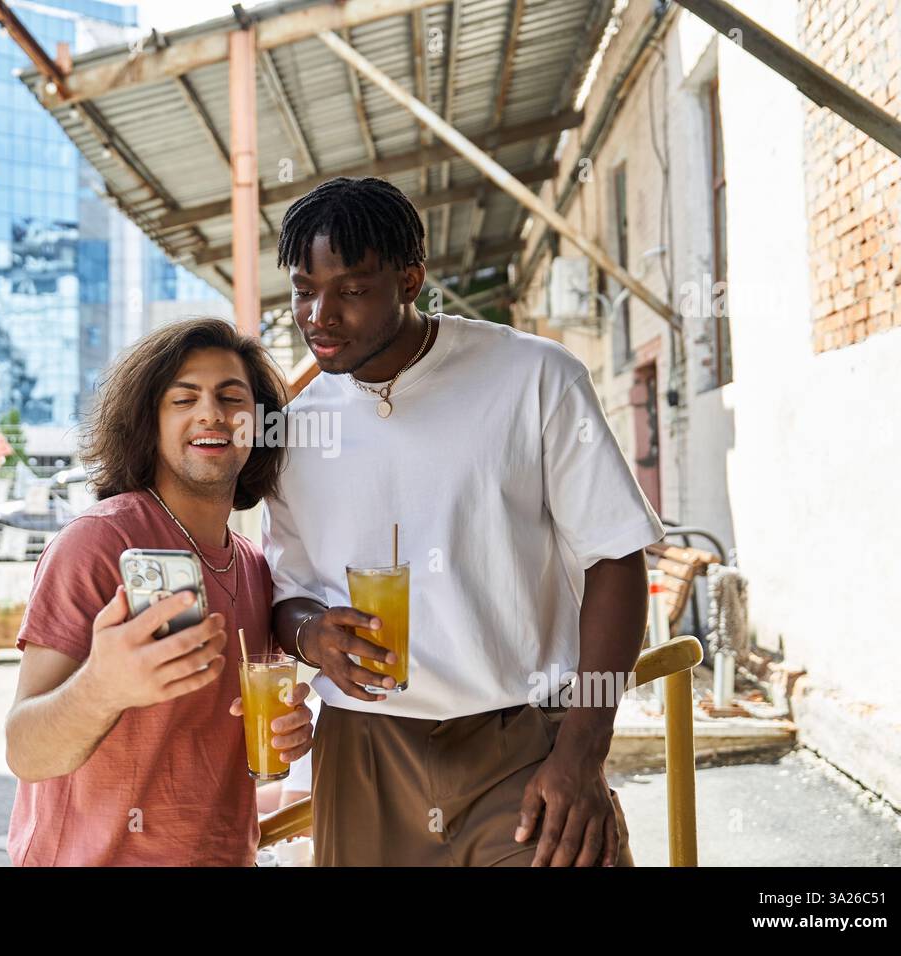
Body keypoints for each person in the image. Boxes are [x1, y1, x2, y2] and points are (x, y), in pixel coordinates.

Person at [263, 177, 664, 867]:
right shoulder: (293, 430)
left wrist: (582, 751)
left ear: (410, 279)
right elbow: (285, 592)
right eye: (304, 289)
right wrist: (309, 634)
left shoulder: (534, 377)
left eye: (351, 290)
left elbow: (616, 558)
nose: (319, 315)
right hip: (360, 754)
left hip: (521, 747)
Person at [5, 317, 315, 866]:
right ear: (148, 422)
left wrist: (290, 729)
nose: (211, 413)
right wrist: (103, 686)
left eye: (231, 396)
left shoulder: (255, 568)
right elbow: (25, 749)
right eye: (184, 398)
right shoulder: (99, 544)